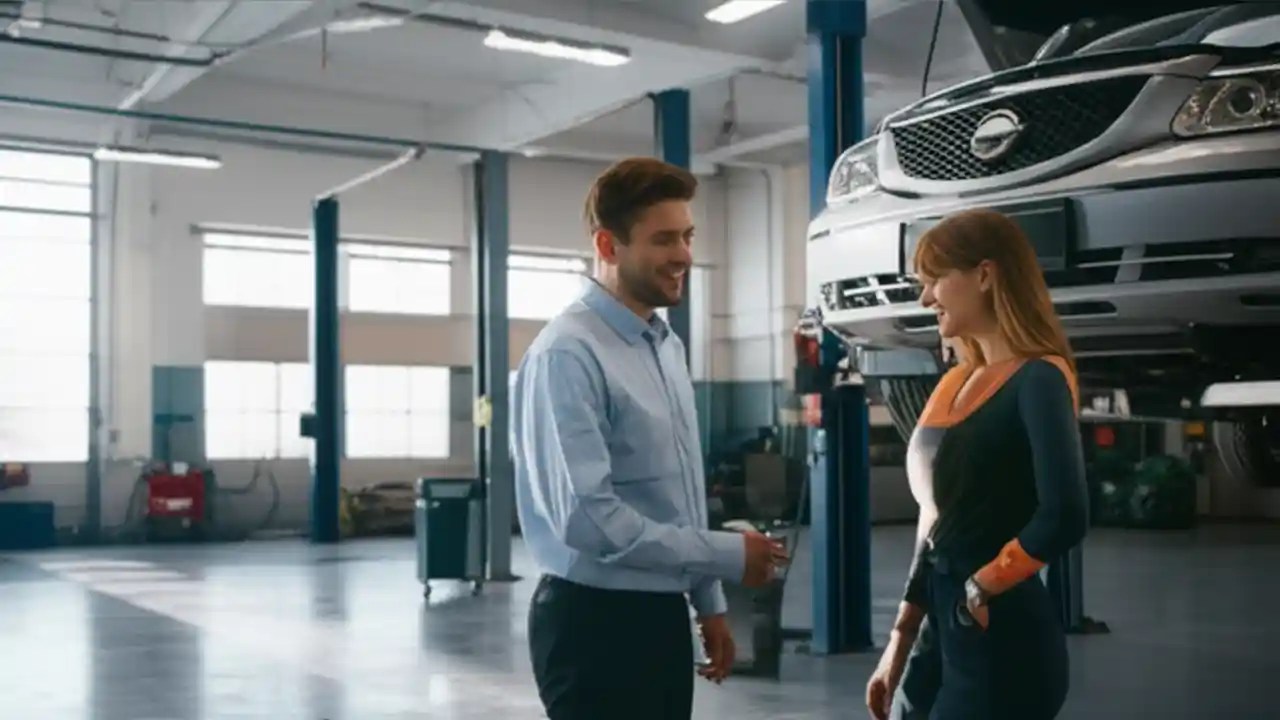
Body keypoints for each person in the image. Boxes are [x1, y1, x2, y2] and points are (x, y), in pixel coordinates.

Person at [512, 157, 788, 720]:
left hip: (660, 615)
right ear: (608, 246)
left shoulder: (664, 346)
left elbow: (678, 494)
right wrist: (726, 555)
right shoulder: (568, 353)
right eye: (664, 239)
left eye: (687, 236)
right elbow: (589, 521)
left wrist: (708, 602)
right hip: (594, 626)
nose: (684, 255)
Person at [866, 208, 1089, 720]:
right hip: (939, 627)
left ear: (985, 275)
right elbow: (935, 518)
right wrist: (900, 639)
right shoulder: (953, 382)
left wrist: (981, 586)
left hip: (1000, 634)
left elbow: (1065, 514)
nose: (926, 298)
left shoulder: (1040, 378)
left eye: (935, 280)